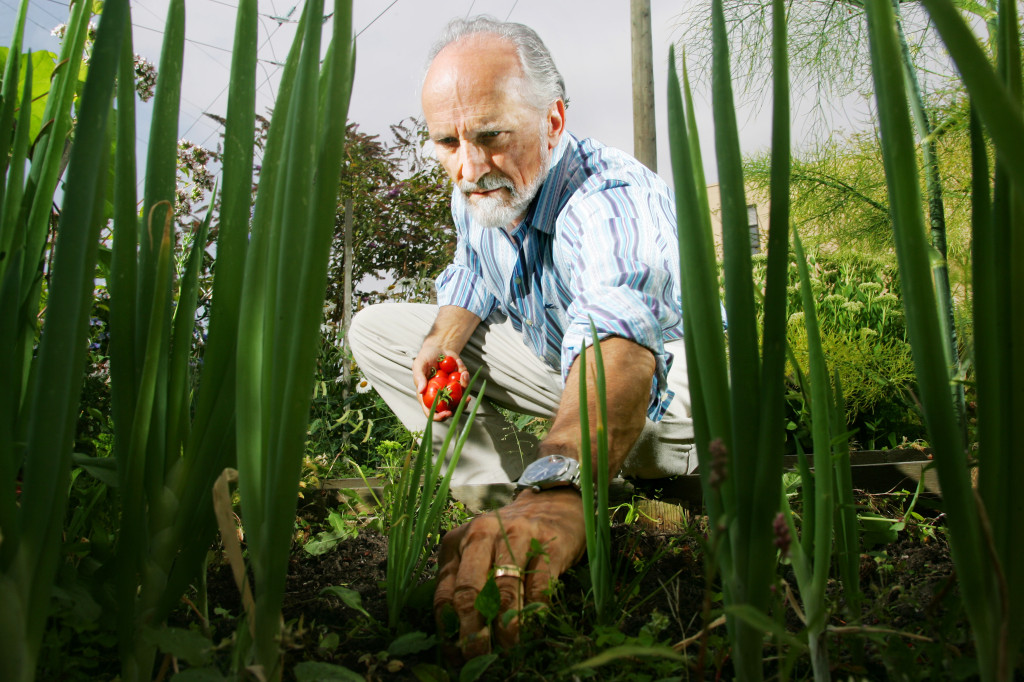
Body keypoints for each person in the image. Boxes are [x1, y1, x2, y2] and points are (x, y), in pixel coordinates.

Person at [348, 15, 703, 658]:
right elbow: (471, 274)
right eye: (447, 142)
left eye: (490, 136)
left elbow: (618, 340)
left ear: (553, 120)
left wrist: (561, 483)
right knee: (378, 333)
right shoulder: (478, 188)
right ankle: (509, 499)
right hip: (560, 366)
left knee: (646, 449)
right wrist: (444, 339)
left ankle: (562, 497)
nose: (469, 166)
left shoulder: (608, 197)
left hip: (664, 380)